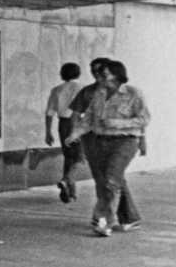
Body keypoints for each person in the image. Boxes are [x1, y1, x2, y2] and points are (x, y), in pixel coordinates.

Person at [81, 59, 149, 237]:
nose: (99, 77)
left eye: (103, 73)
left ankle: (105, 221)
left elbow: (144, 119)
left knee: (111, 180)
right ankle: (130, 217)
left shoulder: (133, 93)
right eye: (96, 73)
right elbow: (87, 117)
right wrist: (73, 134)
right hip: (100, 141)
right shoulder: (98, 93)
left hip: (125, 141)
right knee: (111, 180)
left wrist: (121, 125)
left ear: (116, 75)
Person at [45, 62, 86, 203]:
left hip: (62, 124)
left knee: (68, 157)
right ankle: (66, 179)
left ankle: (70, 191)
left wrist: (48, 132)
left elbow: (49, 112)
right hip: (78, 122)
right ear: (78, 73)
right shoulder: (81, 88)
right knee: (80, 157)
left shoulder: (56, 90)